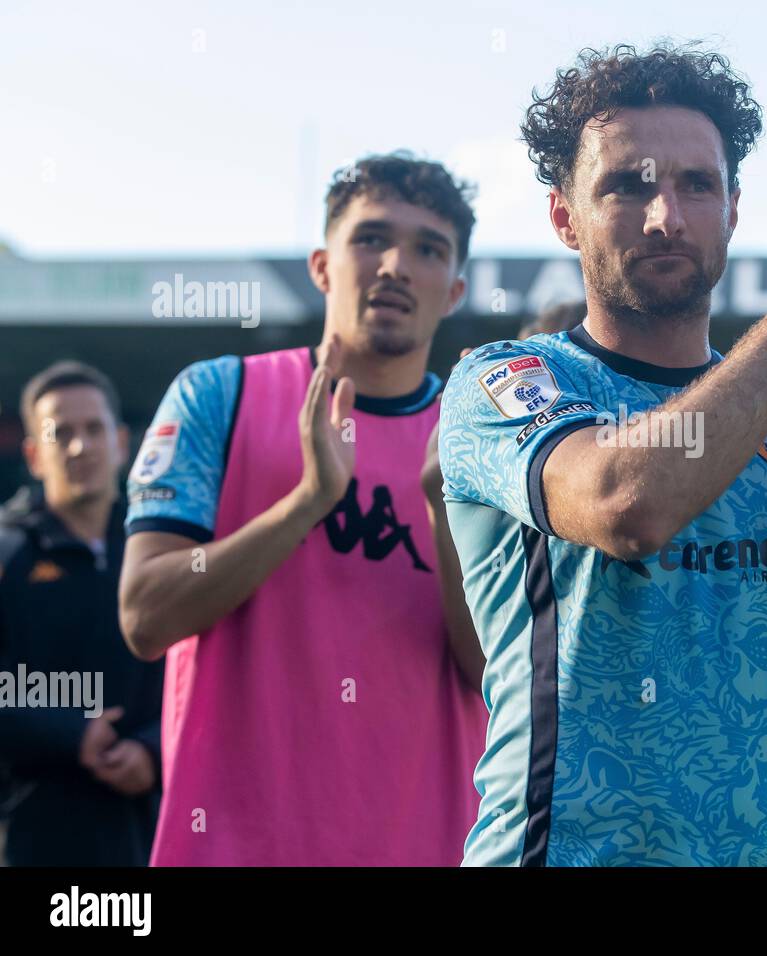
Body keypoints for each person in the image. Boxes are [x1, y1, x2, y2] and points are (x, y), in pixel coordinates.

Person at [438, 42, 767, 865]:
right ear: (564, 216)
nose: (667, 216)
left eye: (697, 185)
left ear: (733, 212)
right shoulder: (507, 380)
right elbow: (627, 506)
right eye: (630, 185)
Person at [118, 154, 487, 865]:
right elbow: (143, 617)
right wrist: (307, 504)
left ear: (454, 290)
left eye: (428, 249)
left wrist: (443, 505)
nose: (395, 266)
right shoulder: (217, 397)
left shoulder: (477, 435)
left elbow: (497, 678)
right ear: (322, 265)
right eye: (371, 238)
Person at [0, 362, 163, 865]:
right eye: (60, 433)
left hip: (155, 826)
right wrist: (73, 731)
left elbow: (204, 673)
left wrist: (153, 750)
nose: (80, 446)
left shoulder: (165, 548)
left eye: (94, 429)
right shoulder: (8, 552)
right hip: (37, 829)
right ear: (32, 454)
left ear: (121, 441)